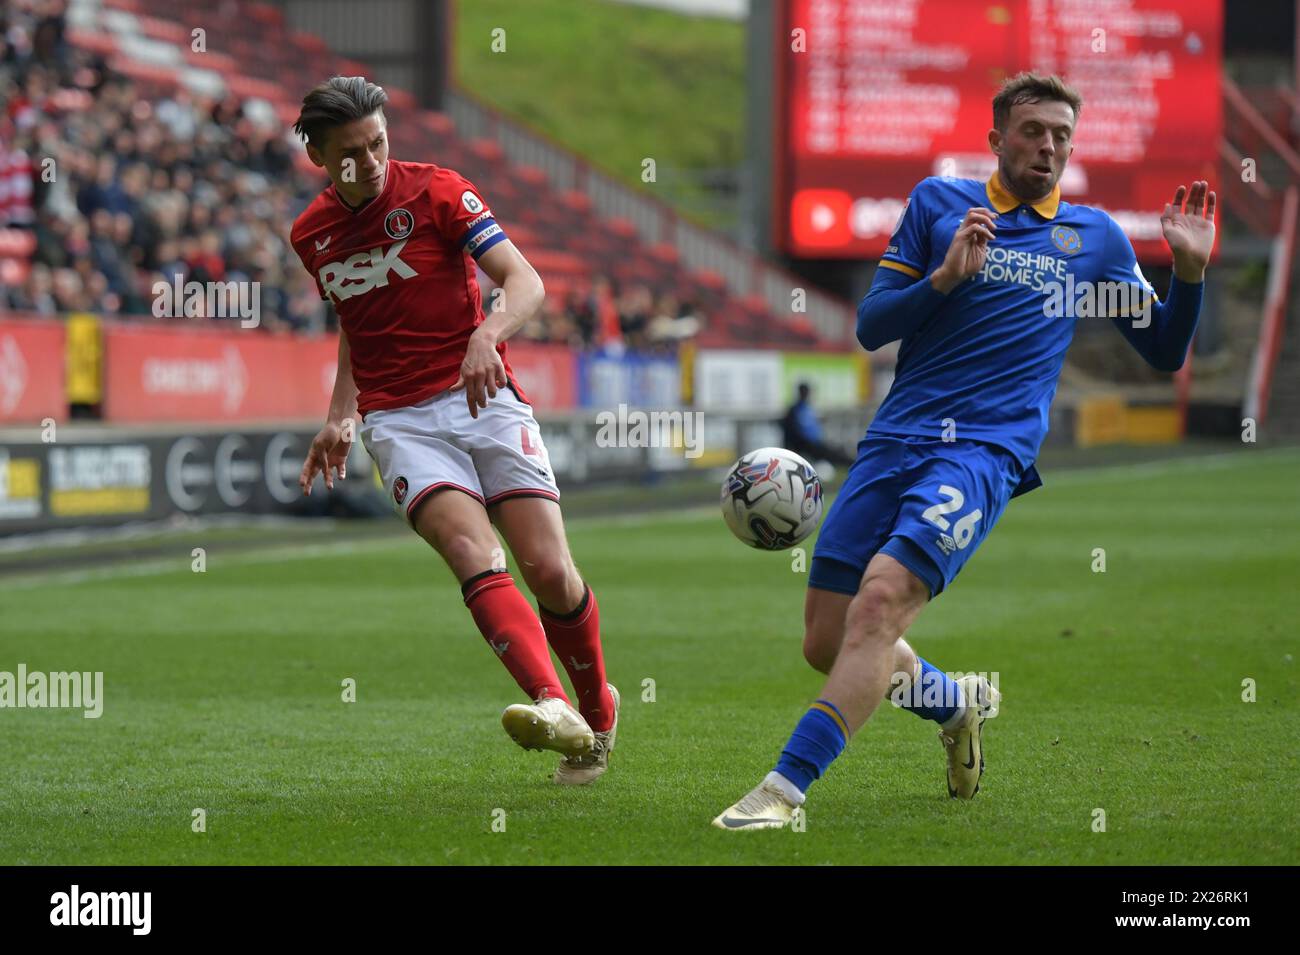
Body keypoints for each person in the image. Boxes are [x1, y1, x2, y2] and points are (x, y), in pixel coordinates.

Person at [714, 72, 1214, 828]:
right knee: (826, 639)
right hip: (893, 441)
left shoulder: (1094, 240)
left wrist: (1192, 274)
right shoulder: (937, 206)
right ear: (997, 140)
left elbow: (1166, 349)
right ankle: (956, 705)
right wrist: (944, 278)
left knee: (881, 604)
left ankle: (782, 792)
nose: (1048, 146)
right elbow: (873, 326)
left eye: (1060, 135)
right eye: (1033, 131)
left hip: (983, 455)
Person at [290, 77, 618, 785]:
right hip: (400, 419)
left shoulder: (438, 191)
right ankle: (553, 702)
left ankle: (598, 710)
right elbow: (357, 322)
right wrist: (341, 414)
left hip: (483, 393)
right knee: (473, 549)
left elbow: (524, 280)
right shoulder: (310, 234)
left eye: (378, 142)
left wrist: (488, 332)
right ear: (318, 156)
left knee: (550, 571)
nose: (371, 161)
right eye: (351, 152)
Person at [781, 382, 853, 467]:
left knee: (836, 450)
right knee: (830, 454)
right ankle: (851, 463)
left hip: (816, 443)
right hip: (805, 446)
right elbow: (791, 432)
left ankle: (851, 462)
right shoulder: (794, 410)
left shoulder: (808, 408)